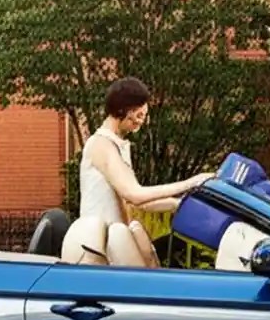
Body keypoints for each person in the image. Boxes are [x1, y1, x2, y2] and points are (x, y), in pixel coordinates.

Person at [79, 77, 213, 225]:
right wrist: (192, 182)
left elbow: (141, 202)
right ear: (123, 110)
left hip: (115, 232)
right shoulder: (102, 145)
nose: (141, 121)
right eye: (139, 115)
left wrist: (178, 204)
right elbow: (134, 194)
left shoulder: (117, 144)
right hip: (97, 235)